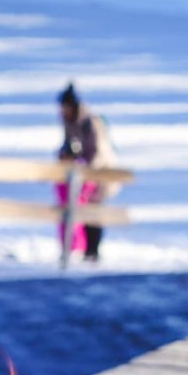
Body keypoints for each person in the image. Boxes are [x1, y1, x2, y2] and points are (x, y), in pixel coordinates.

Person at [56, 82, 119, 262]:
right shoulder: (69, 123)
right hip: (81, 176)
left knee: (95, 211)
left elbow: (97, 151)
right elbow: (68, 145)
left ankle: (93, 251)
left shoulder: (90, 123)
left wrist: (86, 169)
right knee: (79, 210)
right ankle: (82, 249)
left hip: (99, 174)